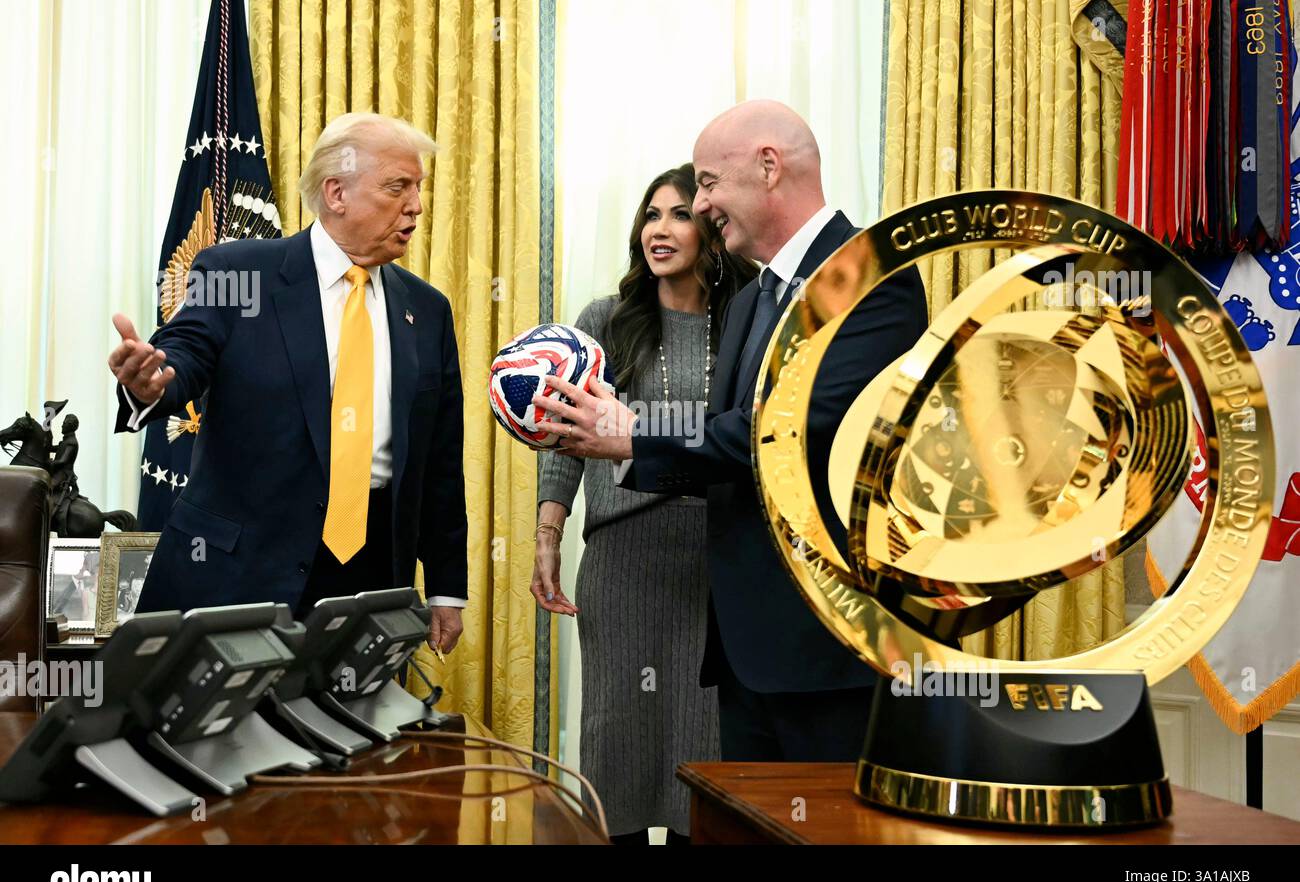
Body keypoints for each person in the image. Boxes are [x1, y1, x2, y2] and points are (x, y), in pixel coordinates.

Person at [535, 101, 929, 761]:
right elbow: (729, 440)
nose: (705, 203)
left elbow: (796, 432)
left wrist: (634, 434)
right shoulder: (753, 300)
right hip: (745, 654)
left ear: (769, 167)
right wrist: (618, 440)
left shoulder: (869, 274)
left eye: (710, 183)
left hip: (829, 648)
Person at [108, 112, 467, 652]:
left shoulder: (427, 309)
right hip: (240, 577)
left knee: (356, 736)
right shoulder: (239, 272)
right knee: (220, 736)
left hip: (370, 584)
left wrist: (445, 588)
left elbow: (440, 456)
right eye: (398, 187)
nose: (416, 205)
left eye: (418, 188)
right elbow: (185, 354)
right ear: (336, 193)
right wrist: (152, 384)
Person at [533, 164, 756, 844]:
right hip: (623, 561)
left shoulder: (748, 319)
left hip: (716, 562)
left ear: (712, 227)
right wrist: (548, 534)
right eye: (651, 215)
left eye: (679, 214)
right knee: (617, 739)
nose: (660, 228)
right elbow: (562, 434)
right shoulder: (605, 319)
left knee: (703, 744)